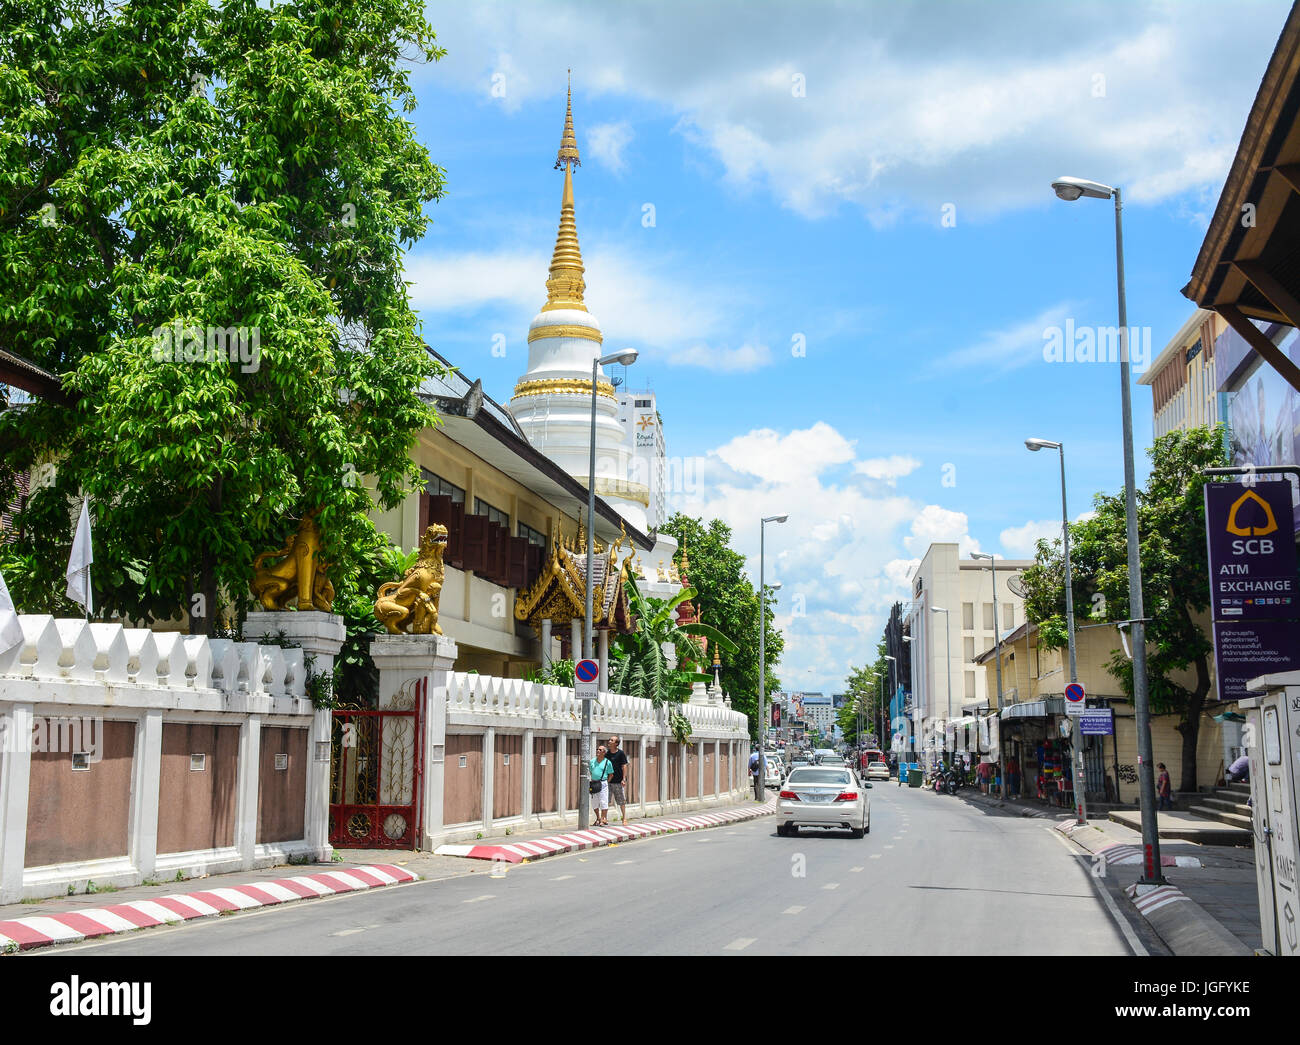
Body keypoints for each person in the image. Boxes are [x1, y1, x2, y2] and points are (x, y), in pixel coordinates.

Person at [606, 735, 630, 823]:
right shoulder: (607, 754)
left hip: (618, 781)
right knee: (605, 800)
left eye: (611, 740)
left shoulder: (620, 753)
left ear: (616, 743)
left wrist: (623, 779)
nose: (609, 741)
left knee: (621, 801)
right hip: (608, 781)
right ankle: (604, 818)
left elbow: (624, 766)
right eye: (609, 739)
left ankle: (624, 818)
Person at [590, 744, 614, 827]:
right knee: (594, 802)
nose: (598, 751)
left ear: (604, 752)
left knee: (603, 801)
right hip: (593, 783)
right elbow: (591, 771)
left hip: (603, 783)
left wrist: (605, 782)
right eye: (597, 749)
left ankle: (603, 818)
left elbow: (611, 774)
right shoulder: (592, 761)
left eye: (600, 750)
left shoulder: (607, 762)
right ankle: (598, 818)